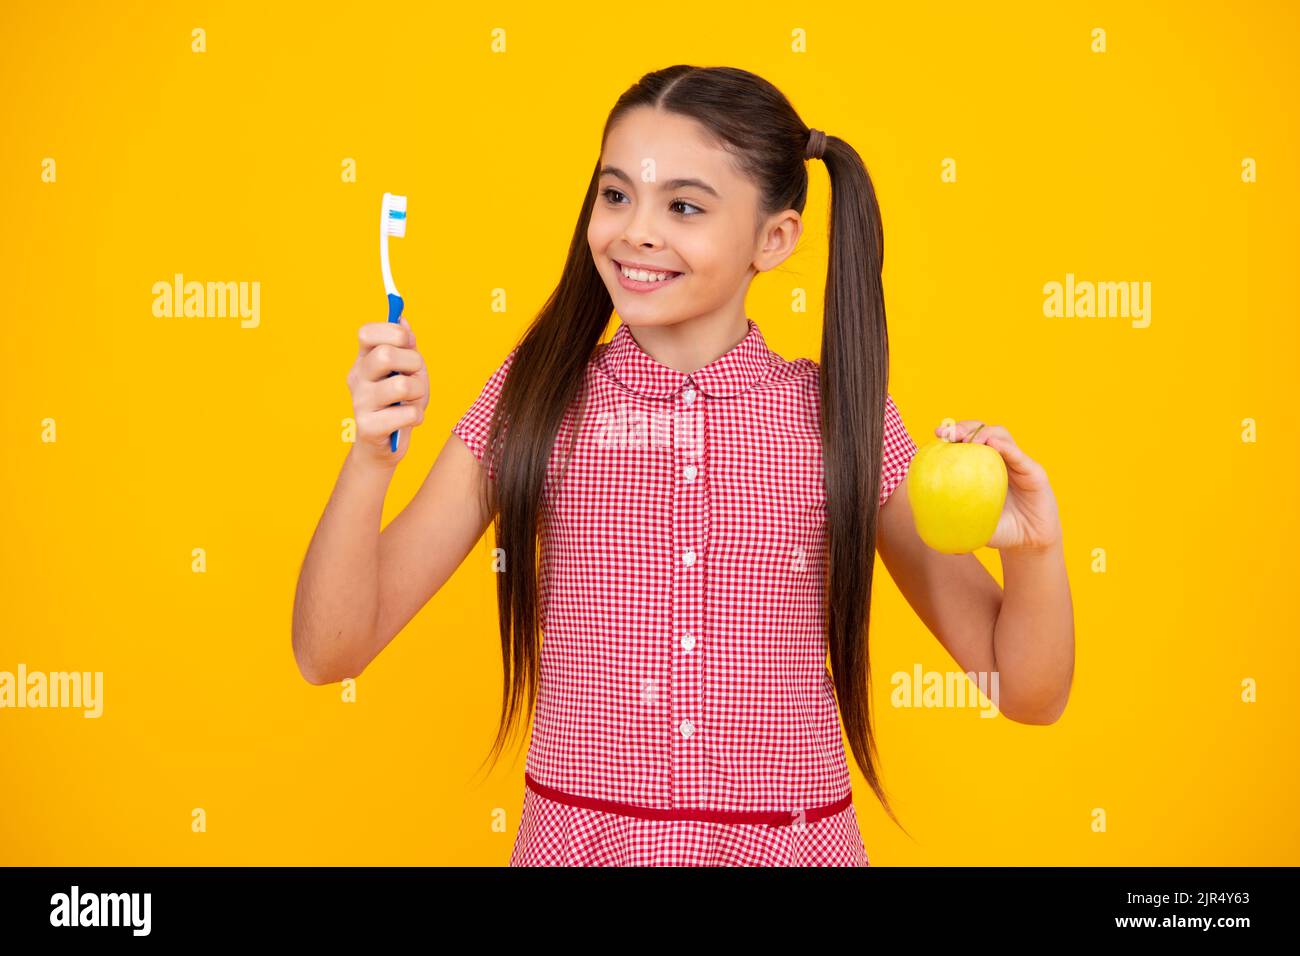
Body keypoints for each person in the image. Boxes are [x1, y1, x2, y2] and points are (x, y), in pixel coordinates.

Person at [292, 64, 1075, 866]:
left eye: (685, 207)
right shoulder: (534, 399)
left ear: (774, 240)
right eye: (616, 194)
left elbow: (1026, 693)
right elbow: (331, 652)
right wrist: (367, 460)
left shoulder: (845, 421)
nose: (635, 230)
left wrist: (1035, 549)